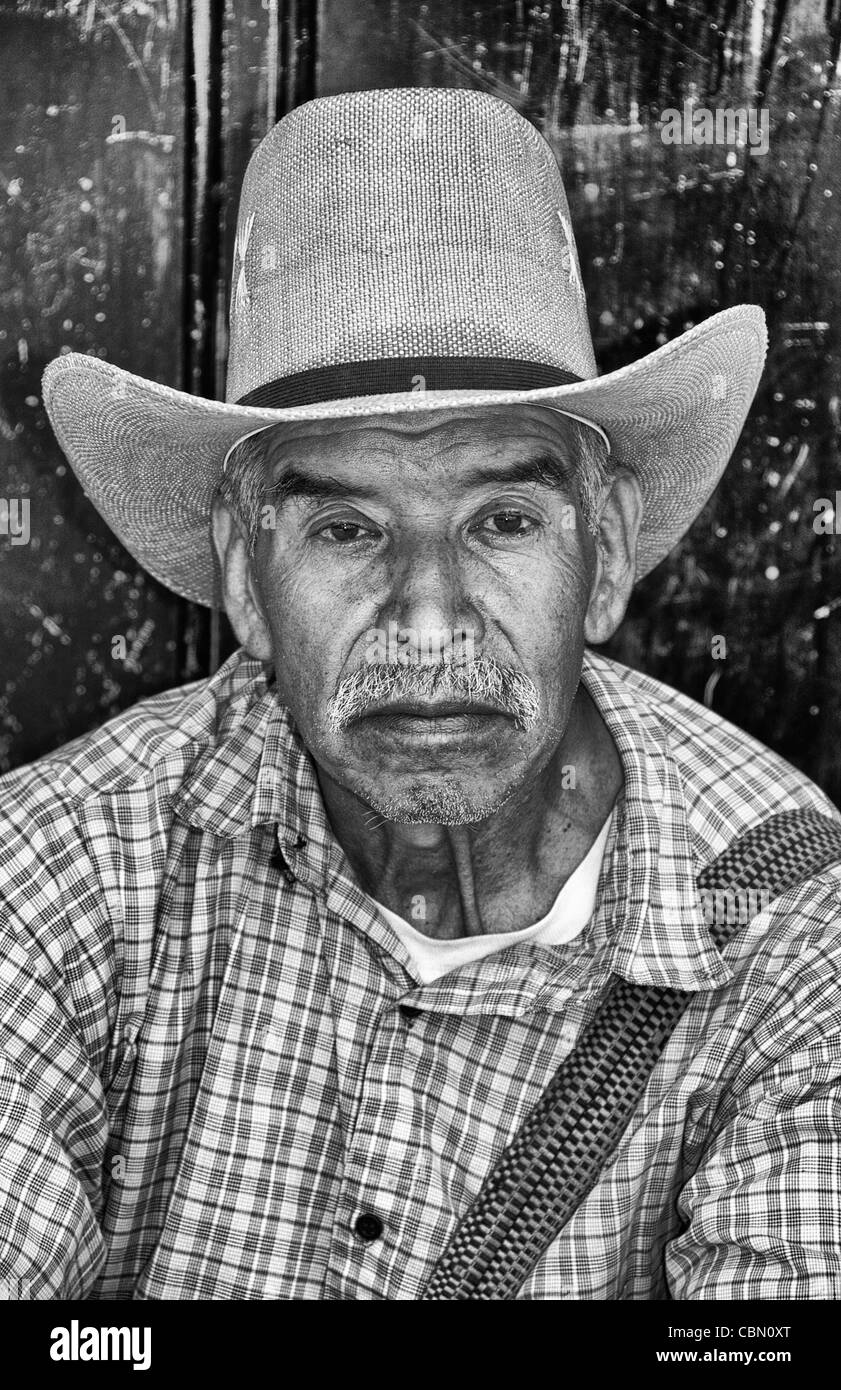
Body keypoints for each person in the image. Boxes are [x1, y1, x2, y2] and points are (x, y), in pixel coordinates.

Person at [1, 87, 840, 1301]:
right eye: (345, 526)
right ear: (247, 573)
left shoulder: (795, 934)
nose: (429, 614)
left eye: (502, 519)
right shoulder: (62, 868)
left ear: (600, 552)